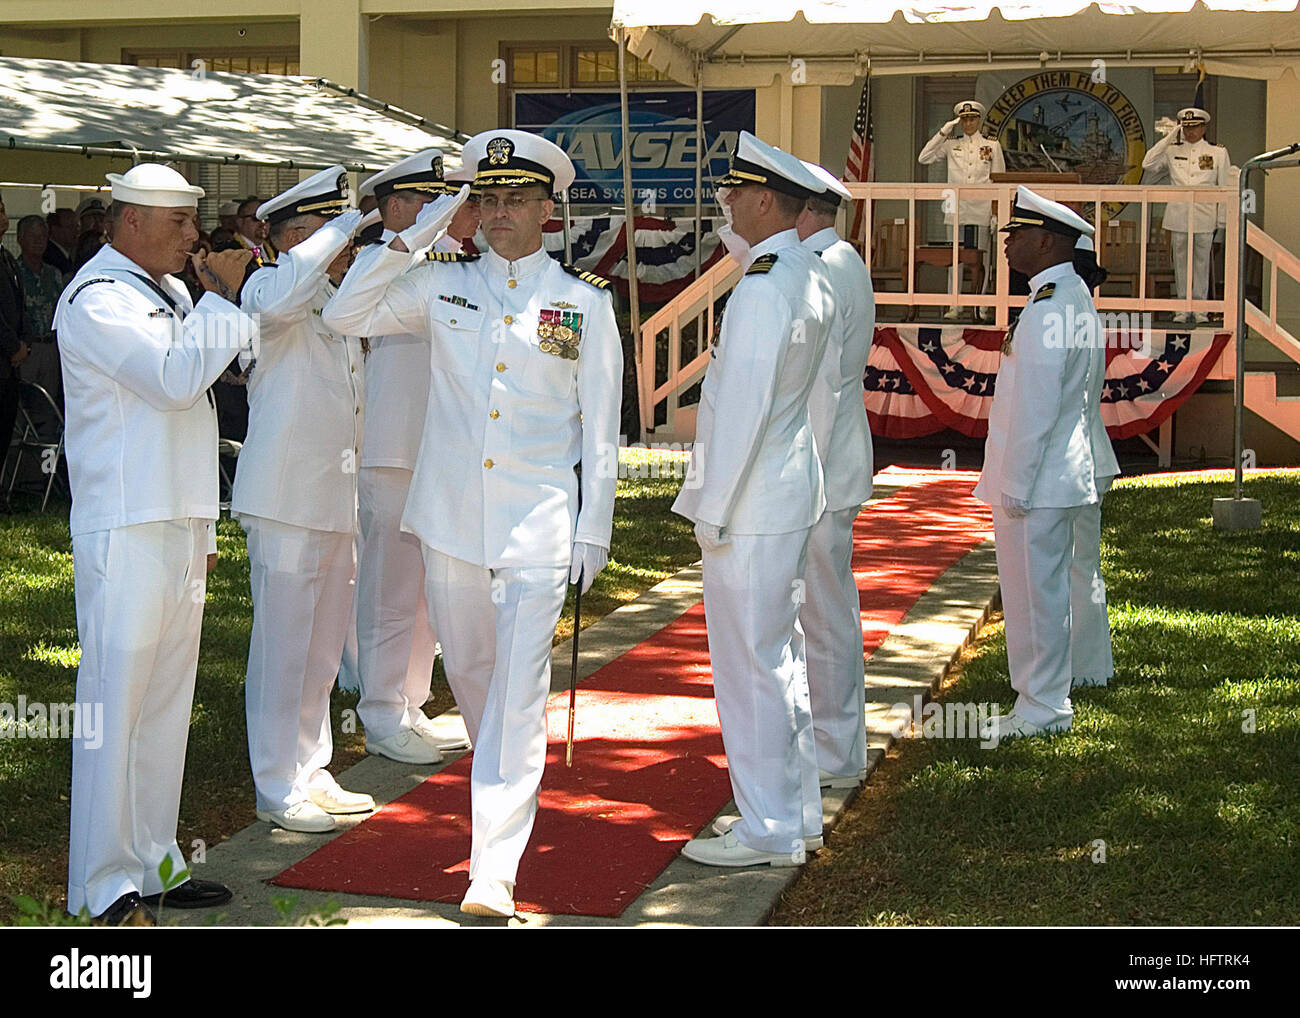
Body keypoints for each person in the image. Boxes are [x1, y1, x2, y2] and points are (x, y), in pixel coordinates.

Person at [324, 129, 622, 919]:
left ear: (548, 211)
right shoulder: (441, 284)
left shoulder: (582, 302)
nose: (497, 213)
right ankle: (501, 812)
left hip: (538, 523)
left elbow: (600, 427)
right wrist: (417, 231)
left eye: (515, 200)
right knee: (482, 689)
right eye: (486, 198)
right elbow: (344, 312)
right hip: (452, 521)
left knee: (518, 695)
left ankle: (493, 869)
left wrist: (595, 530)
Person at [54, 163, 254, 924]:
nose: (195, 237)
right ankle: (103, 886)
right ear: (132, 221)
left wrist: (202, 526)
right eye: (179, 223)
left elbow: (197, 403)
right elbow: (174, 382)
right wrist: (224, 299)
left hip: (176, 518)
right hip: (128, 521)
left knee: (165, 705)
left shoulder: (165, 292)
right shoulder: (98, 299)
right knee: (116, 703)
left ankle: (153, 861)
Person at [672, 132, 833, 869]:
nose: (726, 203)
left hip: (750, 502)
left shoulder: (766, 289)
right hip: (784, 492)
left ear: (766, 198)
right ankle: (794, 814)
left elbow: (740, 411)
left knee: (749, 668)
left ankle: (767, 827)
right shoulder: (800, 271)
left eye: (735, 192)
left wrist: (709, 508)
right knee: (779, 660)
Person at [230, 167, 378, 834]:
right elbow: (276, 303)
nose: (347, 252)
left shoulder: (336, 299)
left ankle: (311, 767)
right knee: (283, 647)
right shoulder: (267, 285)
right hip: (285, 498)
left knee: (320, 651)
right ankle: (274, 783)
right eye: (334, 237)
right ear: (297, 238)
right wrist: (337, 233)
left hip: (333, 498)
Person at [973, 186, 1119, 742]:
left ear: (1049, 241)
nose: (1008, 245)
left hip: (1040, 479)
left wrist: (1014, 481)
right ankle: (1069, 678)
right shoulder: (1068, 297)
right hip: (1067, 470)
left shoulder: (1050, 304)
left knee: (1036, 594)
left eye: (1018, 235)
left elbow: (1037, 405)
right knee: (1061, 585)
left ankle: (1042, 706)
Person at [352, 147, 481, 765]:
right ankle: (379, 712)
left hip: (441, 448)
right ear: (397, 207)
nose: (459, 208)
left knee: (429, 590)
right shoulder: (389, 265)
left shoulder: (460, 263)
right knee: (390, 589)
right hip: (396, 447)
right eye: (437, 197)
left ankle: (410, 703)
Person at [794, 161, 876, 788]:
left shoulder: (819, 269)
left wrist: (804, 477)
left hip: (819, 470)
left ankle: (833, 751)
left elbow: (820, 386)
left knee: (820, 616)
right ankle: (834, 744)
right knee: (827, 611)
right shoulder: (844, 260)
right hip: (834, 462)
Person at [1141, 107, 1231, 324]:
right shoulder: (1172, 150)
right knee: (1181, 264)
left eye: (1195, 127)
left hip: (1205, 217)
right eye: (1187, 127)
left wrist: (1221, 223)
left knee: (1202, 264)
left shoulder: (1218, 153)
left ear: (1204, 128)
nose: (1191, 132)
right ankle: (1182, 308)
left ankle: (1200, 310)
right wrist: (1172, 134)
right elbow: (1148, 163)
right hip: (1179, 216)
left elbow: (1225, 188)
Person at [918, 99, 1005, 321]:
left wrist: (996, 212)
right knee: (954, 258)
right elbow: (924, 157)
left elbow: (999, 182)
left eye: (972, 119)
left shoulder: (991, 145)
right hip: (956, 208)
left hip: (981, 208)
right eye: (964, 120)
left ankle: (980, 305)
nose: (968, 124)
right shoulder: (950, 143)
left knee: (982, 259)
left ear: (979, 120)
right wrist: (944, 130)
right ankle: (954, 304)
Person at [0, 193, 31, 515]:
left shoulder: (7, 258)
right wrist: (12, 346)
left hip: (10, 368)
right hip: (4, 357)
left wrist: (23, 342)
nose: (3, 216)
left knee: (6, 430)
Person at [44, 208, 78, 281]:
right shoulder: (50, 257)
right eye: (70, 227)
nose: (76, 231)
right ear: (55, 229)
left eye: (77, 226)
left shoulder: (65, 255)